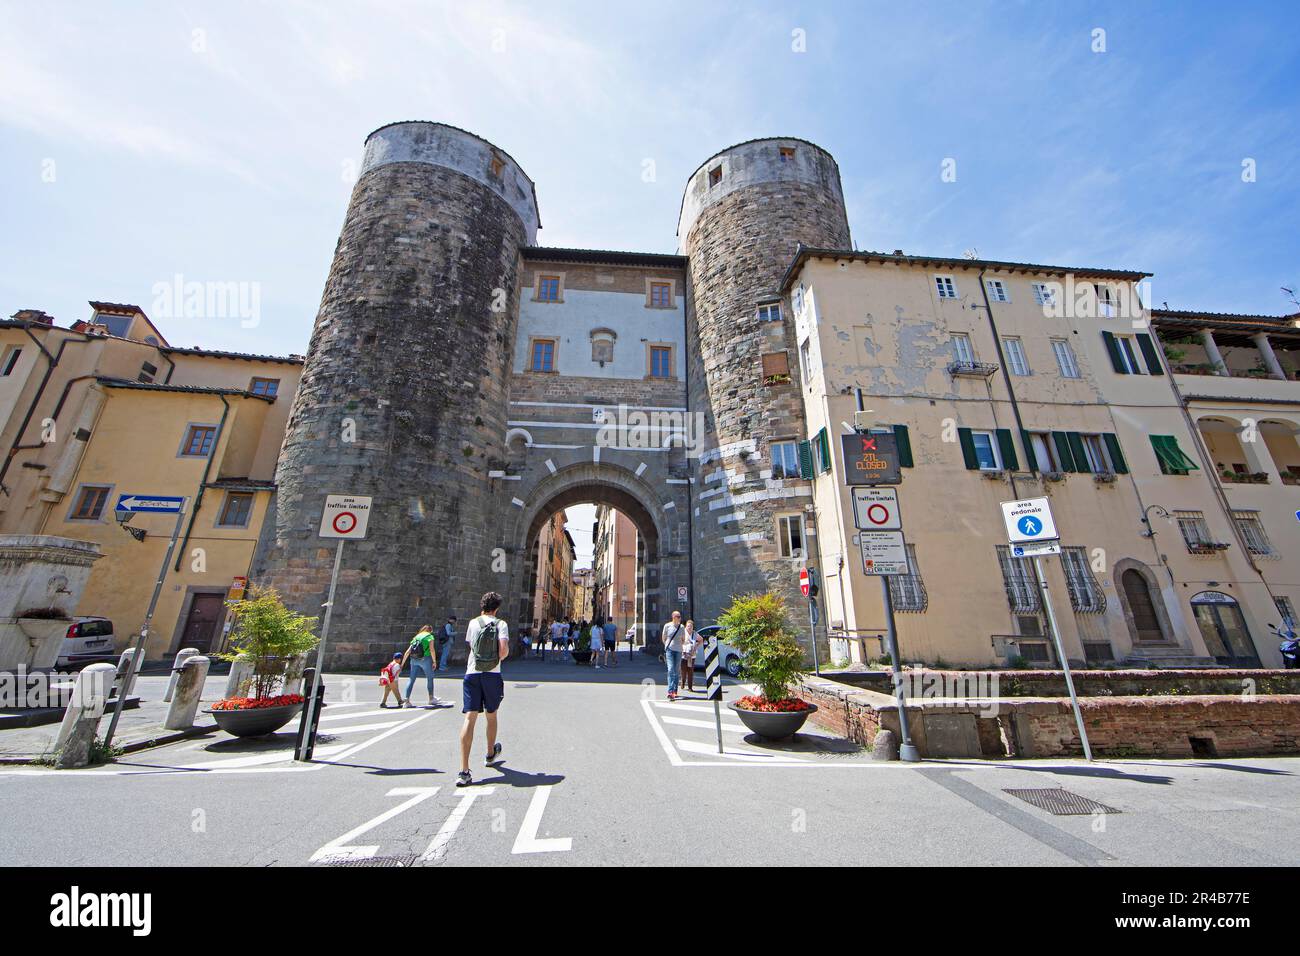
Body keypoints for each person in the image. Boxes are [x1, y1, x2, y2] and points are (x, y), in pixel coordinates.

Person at [457, 591, 510, 787]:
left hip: (472, 673)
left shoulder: (473, 623)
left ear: (482, 606)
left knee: (470, 717)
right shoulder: (501, 624)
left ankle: (464, 771)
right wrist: (499, 657)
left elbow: (472, 646)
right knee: (491, 715)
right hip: (492, 675)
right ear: (497, 608)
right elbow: (503, 651)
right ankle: (489, 754)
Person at [401, 625, 440, 707]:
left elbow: (408, 651)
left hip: (414, 659)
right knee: (430, 678)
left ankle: (406, 701)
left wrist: (402, 664)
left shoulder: (416, 637)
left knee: (411, 679)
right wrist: (434, 661)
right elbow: (432, 650)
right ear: (430, 631)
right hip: (425, 659)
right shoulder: (430, 637)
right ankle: (431, 698)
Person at [661, 611, 685, 701]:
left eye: (680, 616)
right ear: (673, 617)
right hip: (670, 650)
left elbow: (683, 639)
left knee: (676, 671)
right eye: (677, 616)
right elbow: (664, 638)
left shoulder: (682, 627)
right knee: (670, 669)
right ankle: (670, 691)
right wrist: (667, 646)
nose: (679, 618)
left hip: (678, 650)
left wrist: (679, 645)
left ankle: (675, 690)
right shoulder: (667, 626)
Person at [680, 619, 698, 693]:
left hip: (691, 655)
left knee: (690, 671)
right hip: (684, 654)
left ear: (693, 627)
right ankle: (683, 682)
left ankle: (690, 687)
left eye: (691, 626)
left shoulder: (695, 634)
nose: (689, 627)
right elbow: (679, 641)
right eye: (688, 626)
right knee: (683, 671)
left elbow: (701, 640)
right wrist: (682, 648)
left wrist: (696, 646)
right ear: (686, 626)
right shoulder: (683, 633)